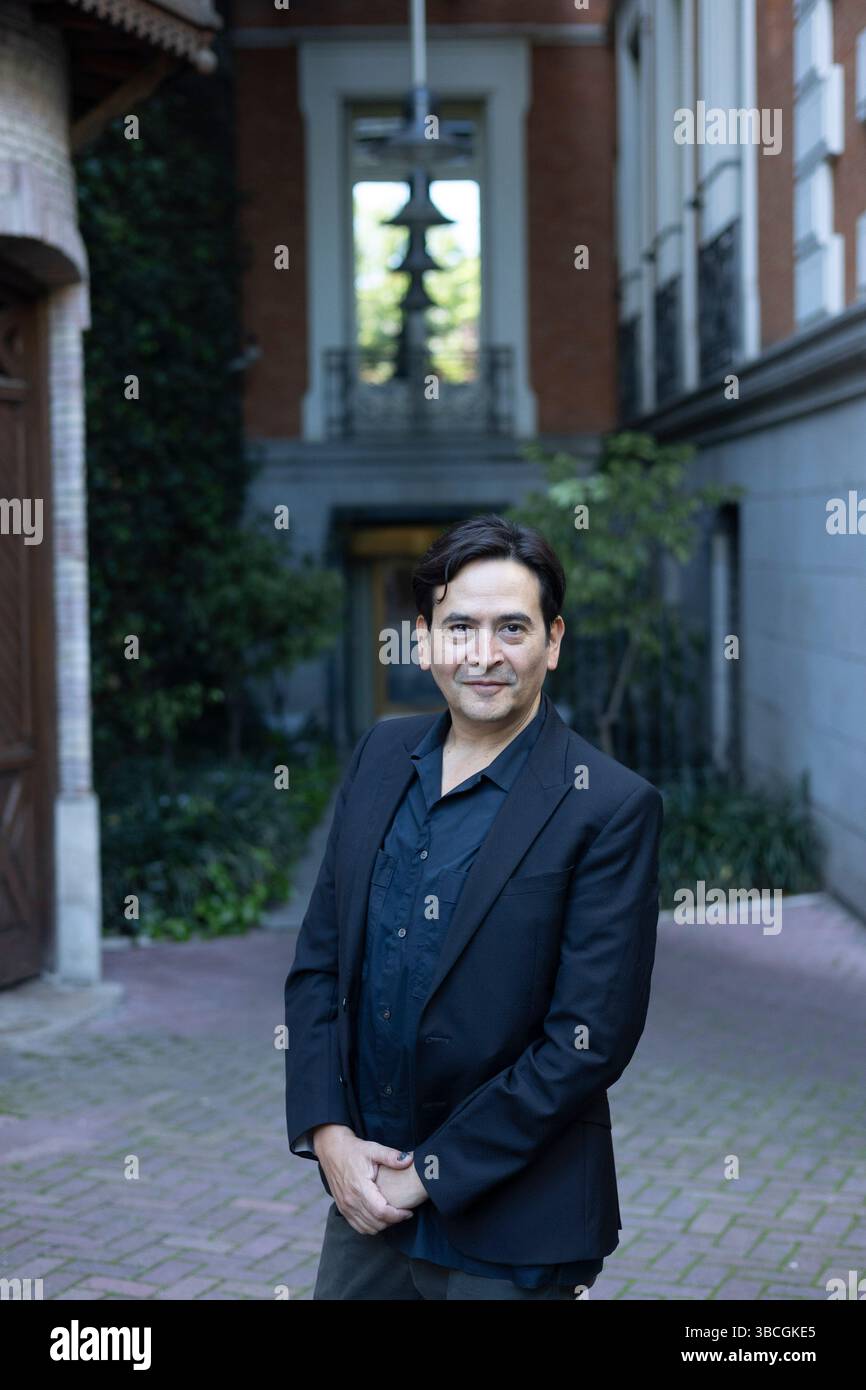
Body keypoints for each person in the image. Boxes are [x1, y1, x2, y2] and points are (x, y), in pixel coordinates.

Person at [284, 513, 663, 1300]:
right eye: (460, 626)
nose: (483, 655)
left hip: (515, 1220)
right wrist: (328, 1137)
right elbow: (320, 967)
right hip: (367, 1203)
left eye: (512, 628)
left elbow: (586, 1041)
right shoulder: (380, 756)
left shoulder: (609, 806)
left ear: (552, 642)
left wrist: (430, 1174)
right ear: (424, 640)